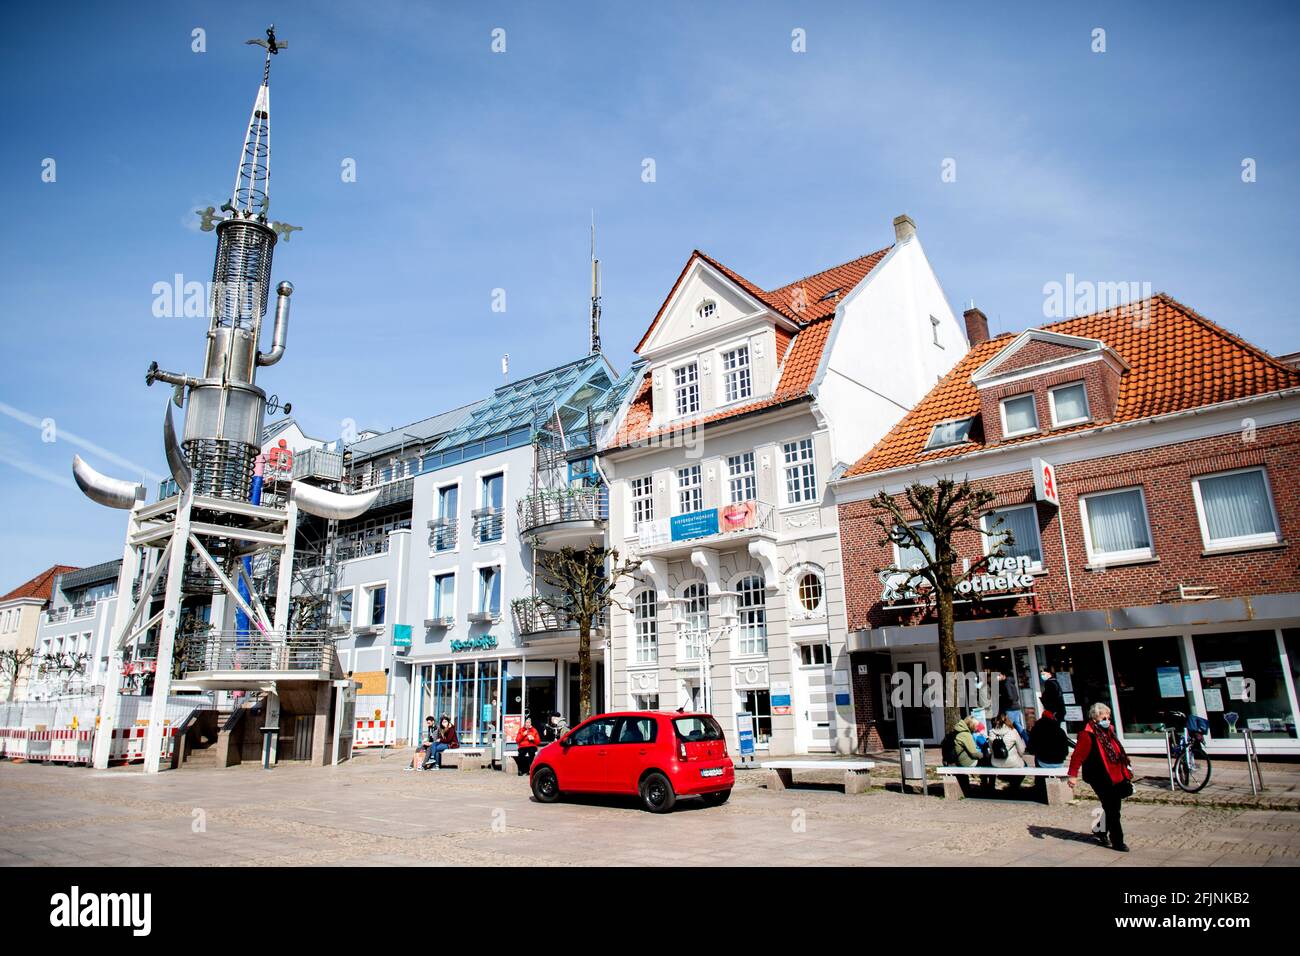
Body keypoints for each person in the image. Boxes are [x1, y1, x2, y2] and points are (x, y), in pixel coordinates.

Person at [1068, 702, 1133, 852]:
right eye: (1104, 716)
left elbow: (1117, 751)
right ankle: (1118, 841)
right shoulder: (1087, 735)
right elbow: (1078, 756)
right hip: (1099, 776)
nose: (1108, 718)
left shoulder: (1109, 731)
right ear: (1095, 717)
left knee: (1113, 806)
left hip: (1115, 774)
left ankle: (1100, 830)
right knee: (1112, 809)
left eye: (1108, 716)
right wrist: (1073, 775)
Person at [988, 712, 1028, 792]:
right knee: (1025, 765)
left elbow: (991, 751)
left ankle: (994, 786)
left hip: (995, 763)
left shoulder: (991, 733)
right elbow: (1022, 750)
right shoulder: (1013, 731)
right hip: (1012, 763)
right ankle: (1014, 786)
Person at [995, 670, 1027, 743]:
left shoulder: (1006, 683)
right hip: (1016, 707)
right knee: (1019, 727)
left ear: (1003, 675)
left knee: (1007, 727)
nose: (998, 677)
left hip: (1010, 708)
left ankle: (1009, 744)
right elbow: (1015, 696)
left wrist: (1002, 699)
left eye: (999, 675)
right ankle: (1028, 744)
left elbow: (1010, 697)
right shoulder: (1011, 682)